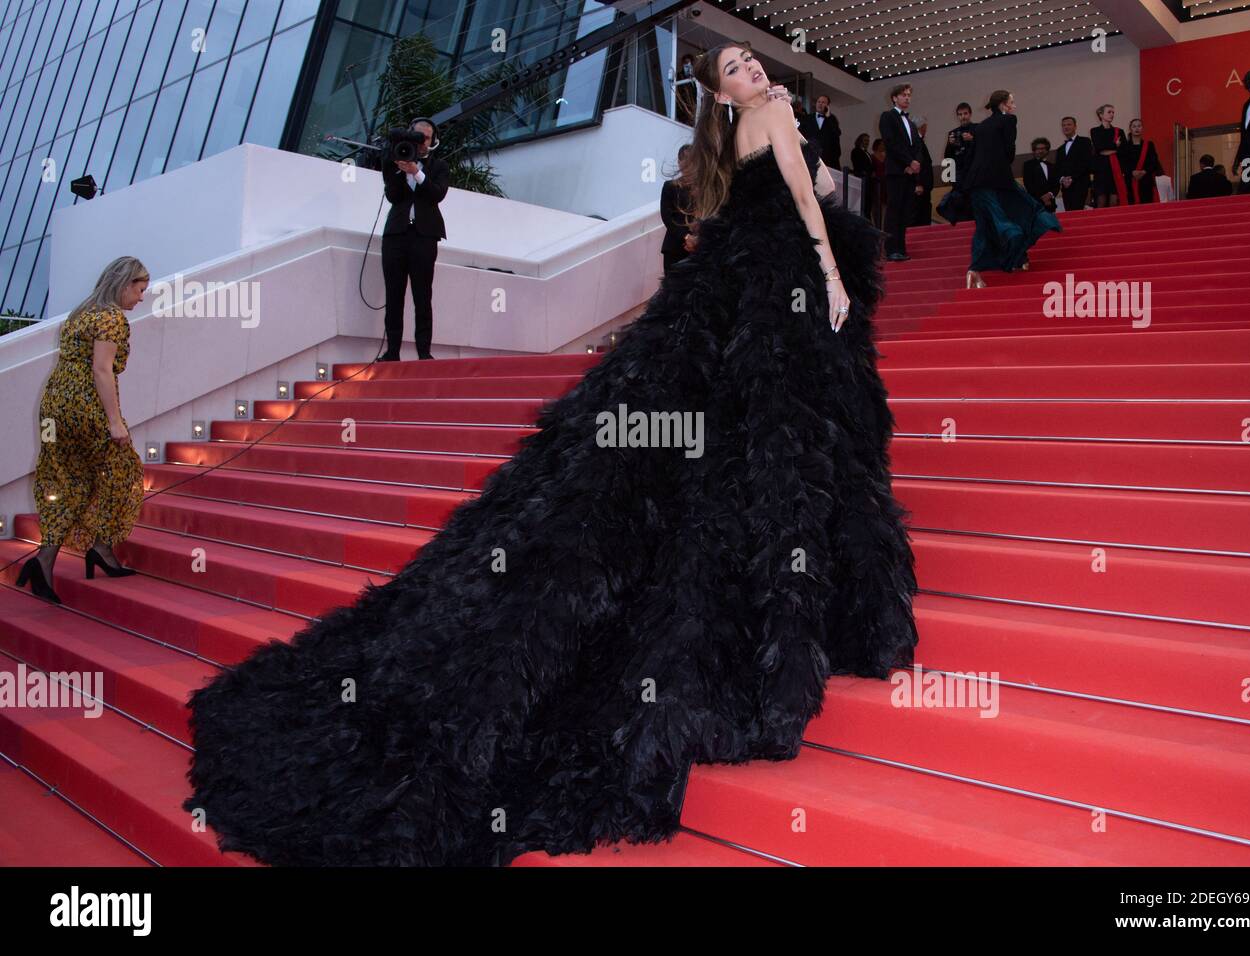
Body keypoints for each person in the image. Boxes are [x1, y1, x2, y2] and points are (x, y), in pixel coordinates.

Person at [182, 39, 919, 868]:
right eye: (736, 67)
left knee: (675, 444)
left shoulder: (730, 139)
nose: (751, 70)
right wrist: (832, 273)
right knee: (777, 436)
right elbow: (810, 200)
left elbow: (802, 182)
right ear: (722, 93)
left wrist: (808, 163)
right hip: (777, 288)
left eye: (753, 61)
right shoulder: (776, 116)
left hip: (726, 287)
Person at [21, 257, 150, 605]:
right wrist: (114, 421)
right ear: (124, 283)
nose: (140, 299)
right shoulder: (111, 318)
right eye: (139, 290)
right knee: (120, 474)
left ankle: (84, 552)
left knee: (67, 481)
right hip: (85, 410)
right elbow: (102, 371)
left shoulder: (83, 313)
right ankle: (80, 553)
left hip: (54, 407)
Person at [963, 90, 1062, 289]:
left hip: (976, 182)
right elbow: (1009, 152)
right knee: (1022, 213)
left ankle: (976, 270)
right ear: (1003, 105)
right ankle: (1016, 257)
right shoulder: (1008, 120)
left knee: (985, 225)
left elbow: (975, 155)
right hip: (998, 180)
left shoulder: (981, 127)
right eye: (1011, 102)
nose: (1014, 105)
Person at [380, 118, 450, 362]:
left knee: (423, 295)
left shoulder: (439, 166)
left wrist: (417, 173)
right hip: (395, 236)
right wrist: (401, 168)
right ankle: (392, 351)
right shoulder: (394, 161)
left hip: (425, 236)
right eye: (416, 135)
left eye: (425, 138)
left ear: (432, 142)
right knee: (394, 294)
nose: (420, 142)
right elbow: (393, 195)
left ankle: (423, 352)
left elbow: (436, 194)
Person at [879, 83, 923, 260]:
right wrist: (908, 161)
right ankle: (891, 250)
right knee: (894, 209)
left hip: (909, 172)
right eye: (903, 95)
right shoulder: (887, 116)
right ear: (894, 98)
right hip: (897, 171)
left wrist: (916, 163)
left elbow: (918, 146)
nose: (907, 98)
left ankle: (901, 248)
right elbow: (890, 143)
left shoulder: (912, 124)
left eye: (908, 95)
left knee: (905, 211)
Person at [939, 102, 976, 223]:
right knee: (962, 207)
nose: (963, 117)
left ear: (970, 114)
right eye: (960, 114)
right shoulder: (953, 133)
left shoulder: (978, 129)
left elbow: (984, 149)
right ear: (957, 116)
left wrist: (972, 139)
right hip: (960, 175)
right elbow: (947, 157)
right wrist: (950, 144)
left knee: (976, 204)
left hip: (975, 173)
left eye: (965, 113)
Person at [660, 144, 693, 272]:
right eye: (685, 160)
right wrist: (686, 237)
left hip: (697, 249)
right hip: (674, 247)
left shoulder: (704, 189)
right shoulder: (670, 186)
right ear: (679, 162)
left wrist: (697, 239)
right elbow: (667, 217)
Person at [1090, 104, 1128, 206]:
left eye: (1113, 112)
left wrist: (1108, 150)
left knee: (1114, 199)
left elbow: (1124, 150)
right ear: (1101, 115)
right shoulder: (1095, 131)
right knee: (1100, 198)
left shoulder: (1119, 131)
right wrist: (1115, 146)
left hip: (1115, 169)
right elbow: (1099, 147)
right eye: (1109, 112)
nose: (1112, 114)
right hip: (1101, 169)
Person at [1120, 118, 1163, 204]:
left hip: (1146, 180)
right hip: (1130, 181)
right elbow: (1122, 163)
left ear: (1142, 128)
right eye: (1134, 126)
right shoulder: (1124, 146)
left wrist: (1144, 171)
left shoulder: (1149, 144)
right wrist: (1132, 172)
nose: (1137, 128)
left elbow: (1154, 161)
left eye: (1139, 126)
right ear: (1130, 129)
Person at [1056, 116, 1093, 210]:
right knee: (1070, 215)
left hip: (1081, 184)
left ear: (1075, 126)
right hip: (1066, 188)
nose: (1066, 127)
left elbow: (1087, 163)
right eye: (1063, 125)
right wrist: (1063, 179)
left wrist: (1072, 178)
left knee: (1081, 215)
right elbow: (1058, 168)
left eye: (1069, 124)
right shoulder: (1060, 149)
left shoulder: (1085, 141)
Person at [1022, 137, 1060, 211]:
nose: (1040, 151)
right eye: (1038, 149)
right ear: (1034, 151)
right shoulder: (1028, 165)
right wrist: (1043, 198)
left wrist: (1050, 195)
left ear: (1047, 150)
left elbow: (1056, 184)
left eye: (1043, 148)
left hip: (1051, 204)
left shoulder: (1052, 166)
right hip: (1036, 203)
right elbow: (1028, 184)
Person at [808, 94, 843, 171]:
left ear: (827, 106)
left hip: (827, 158)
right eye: (818, 102)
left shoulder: (832, 118)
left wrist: (828, 117)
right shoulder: (808, 117)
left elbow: (837, 133)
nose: (820, 104)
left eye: (823, 102)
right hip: (811, 156)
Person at [910, 118, 935, 226]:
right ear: (922, 127)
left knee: (923, 216)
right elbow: (917, 163)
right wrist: (918, 183)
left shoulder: (918, 141)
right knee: (919, 218)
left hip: (924, 187)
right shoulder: (916, 142)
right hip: (920, 187)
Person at [850, 132, 875, 218]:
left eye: (868, 140)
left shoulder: (867, 152)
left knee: (868, 203)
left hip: (869, 181)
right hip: (862, 180)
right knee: (863, 203)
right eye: (865, 140)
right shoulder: (856, 151)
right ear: (860, 141)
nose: (867, 142)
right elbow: (858, 165)